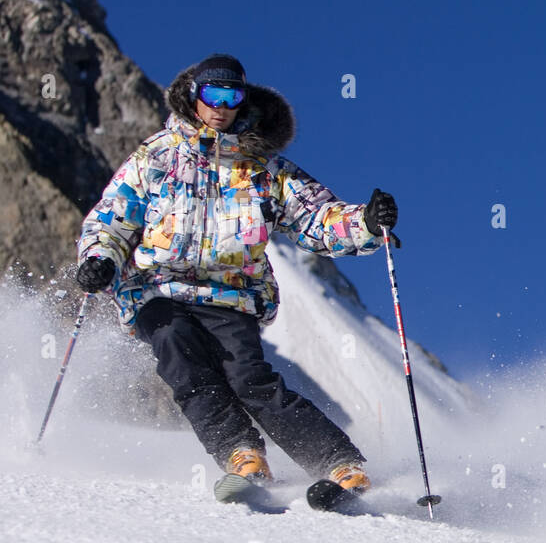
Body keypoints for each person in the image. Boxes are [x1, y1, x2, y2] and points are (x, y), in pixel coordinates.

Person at [74, 53, 398, 497]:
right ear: (194, 96)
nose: (222, 105)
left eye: (233, 96)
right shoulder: (157, 156)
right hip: (157, 288)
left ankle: (339, 464)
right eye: (213, 94)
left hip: (230, 294)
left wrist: (364, 221)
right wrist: (99, 257)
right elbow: (112, 219)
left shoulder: (263, 168)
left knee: (248, 377)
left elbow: (315, 217)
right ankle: (241, 454)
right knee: (180, 359)